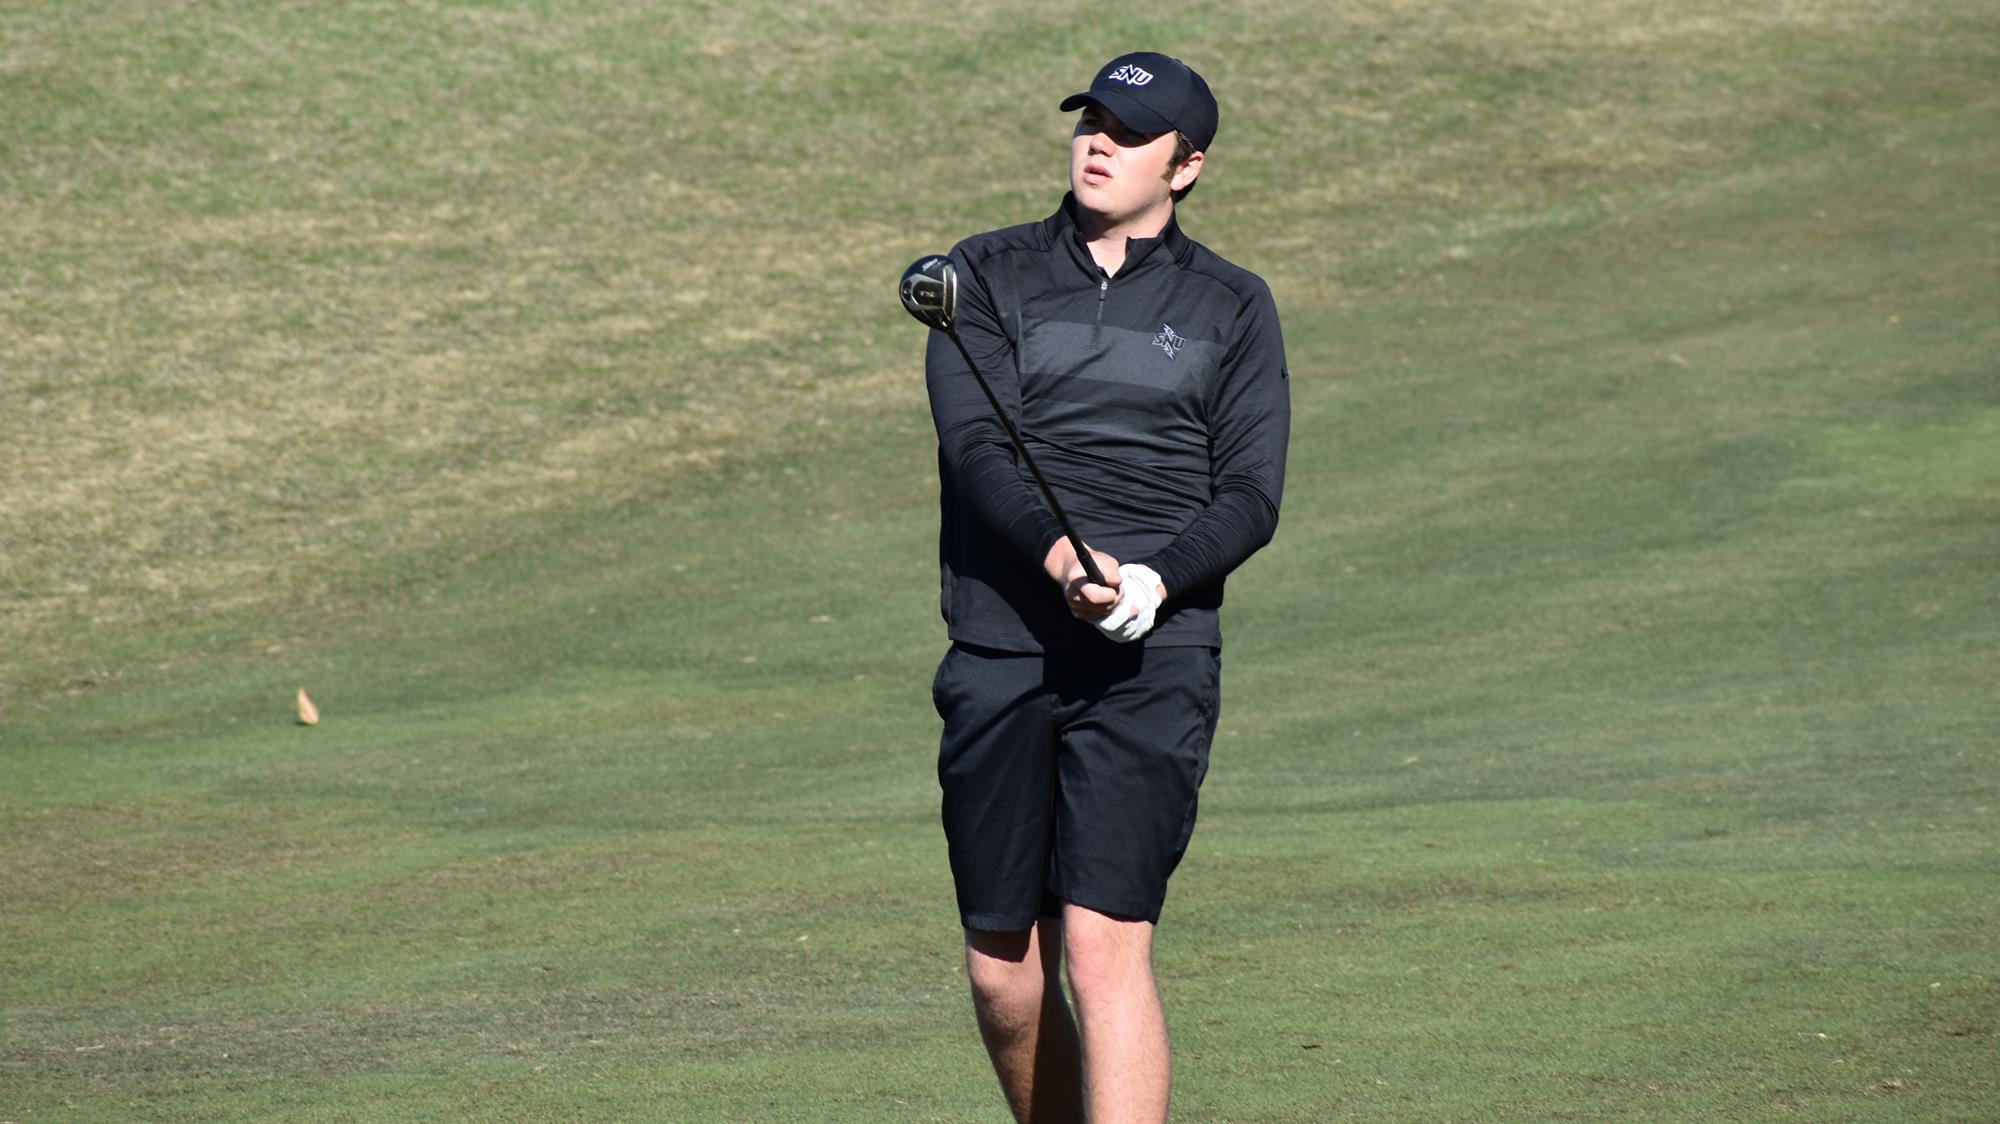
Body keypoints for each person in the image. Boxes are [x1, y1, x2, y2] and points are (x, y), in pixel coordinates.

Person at [924, 51, 1290, 1123]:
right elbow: (976, 444)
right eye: (1089, 122)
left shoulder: (1231, 305)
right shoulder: (980, 274)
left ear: (1184, 166)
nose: (1098, 143)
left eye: (1128, 134)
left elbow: (1251, 492)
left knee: (1100, 940)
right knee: (1002, 969)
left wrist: (1153, 578)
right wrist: (1062, 559)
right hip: (1003, 643)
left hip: (1150, 656)